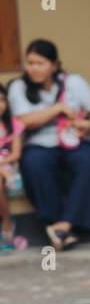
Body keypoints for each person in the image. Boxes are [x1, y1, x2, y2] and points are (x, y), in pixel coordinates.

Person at [7, 40, 90, 251]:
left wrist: (87, 124)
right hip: (39, 144)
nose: (33, 68)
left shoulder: (74, 82)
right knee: (33, 162)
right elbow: (23, 121)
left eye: (40, 63)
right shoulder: (19, 86)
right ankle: (55, 223)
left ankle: (64, 225)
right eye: (30, 63)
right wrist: (58, 108)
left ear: (54, 65)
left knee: (88, 159)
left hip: (72, 141)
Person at [0, 88, 24, 251]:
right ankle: (7, 225)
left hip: (7, 164)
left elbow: (16, 154)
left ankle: (7, 224)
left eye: (2, 100)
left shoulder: (13, 124)